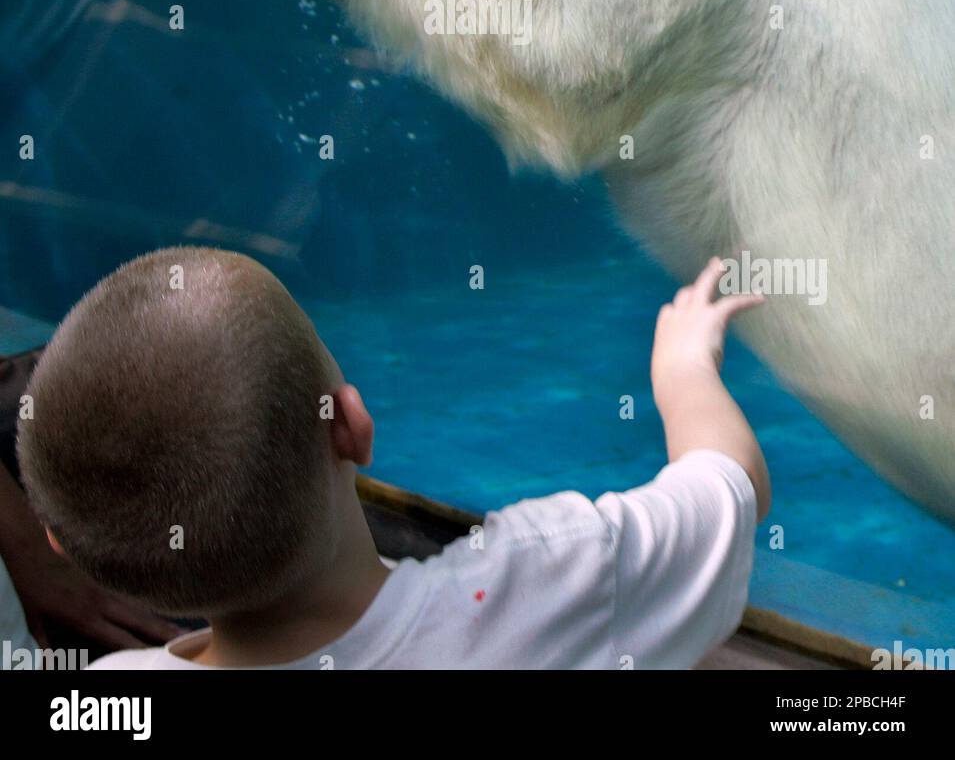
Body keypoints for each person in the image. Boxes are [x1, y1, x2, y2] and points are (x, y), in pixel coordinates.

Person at [17, 248, 769, 670]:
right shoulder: (544, 580)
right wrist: (683, 367)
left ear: (66, 544)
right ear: (352, 426)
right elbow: (729, 483)